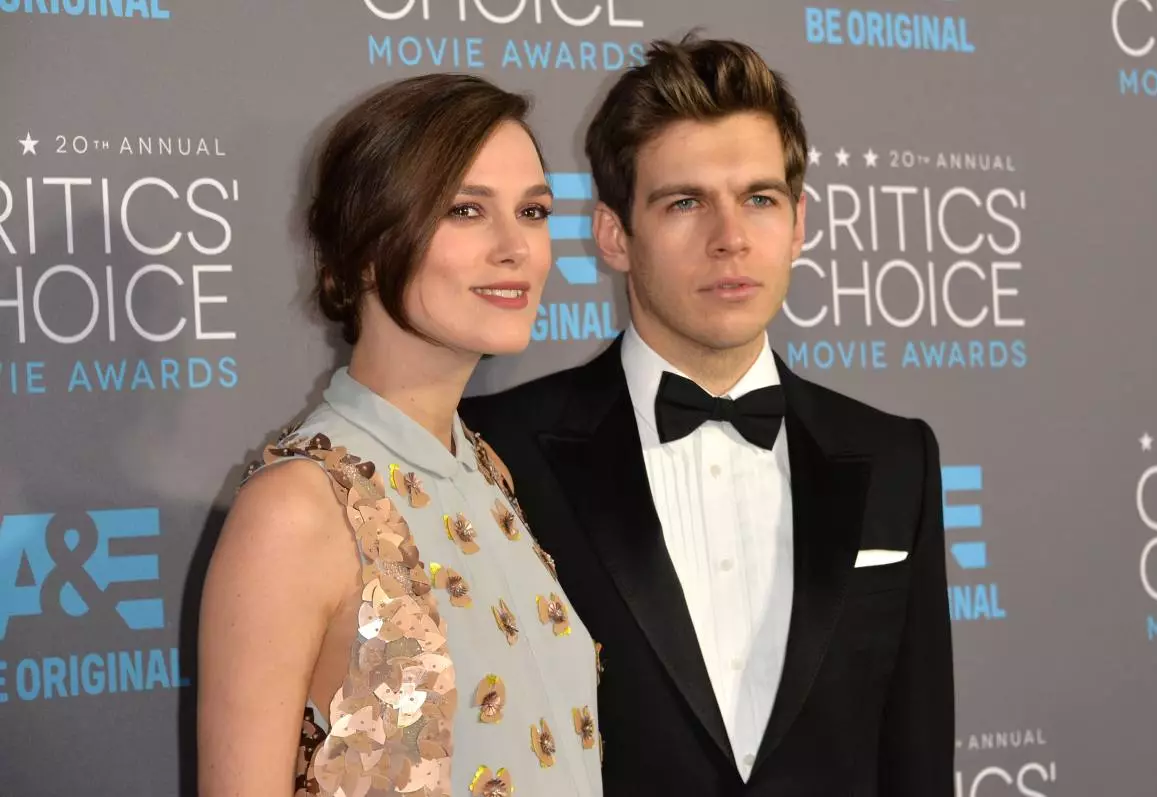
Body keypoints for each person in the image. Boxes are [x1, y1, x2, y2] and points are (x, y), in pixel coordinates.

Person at [459, 34, 954, 796]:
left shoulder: (897, 458)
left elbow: (915, 756)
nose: (730, 238)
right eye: (685, 202)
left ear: (799, 225)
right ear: (614, 235)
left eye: (760, 198)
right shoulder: (496, 451)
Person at [197, 74, 603, 797]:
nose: (517, 247)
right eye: (465, 210)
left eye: (534, 211)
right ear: (367, 249)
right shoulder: (296, 510)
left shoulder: (486, 471)